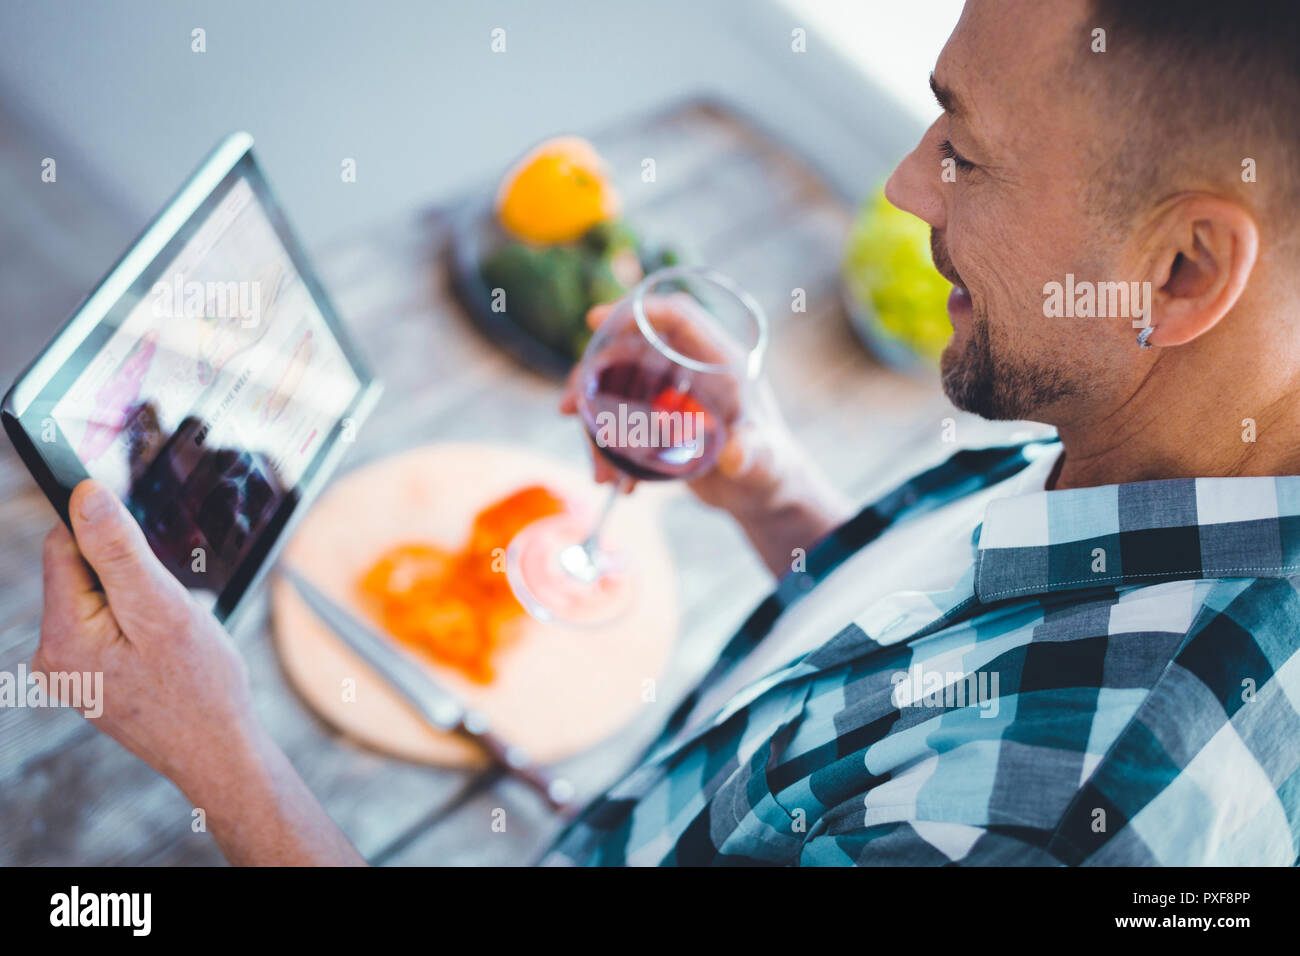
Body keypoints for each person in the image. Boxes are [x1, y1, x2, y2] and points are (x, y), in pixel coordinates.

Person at [34, 0, 1300, 865]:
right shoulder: (1166, 441)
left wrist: (215, 748)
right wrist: (769, 492)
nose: (909, 183)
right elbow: (933, 671)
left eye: (966, 151)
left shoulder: (1052, 818)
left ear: (1184, 270)